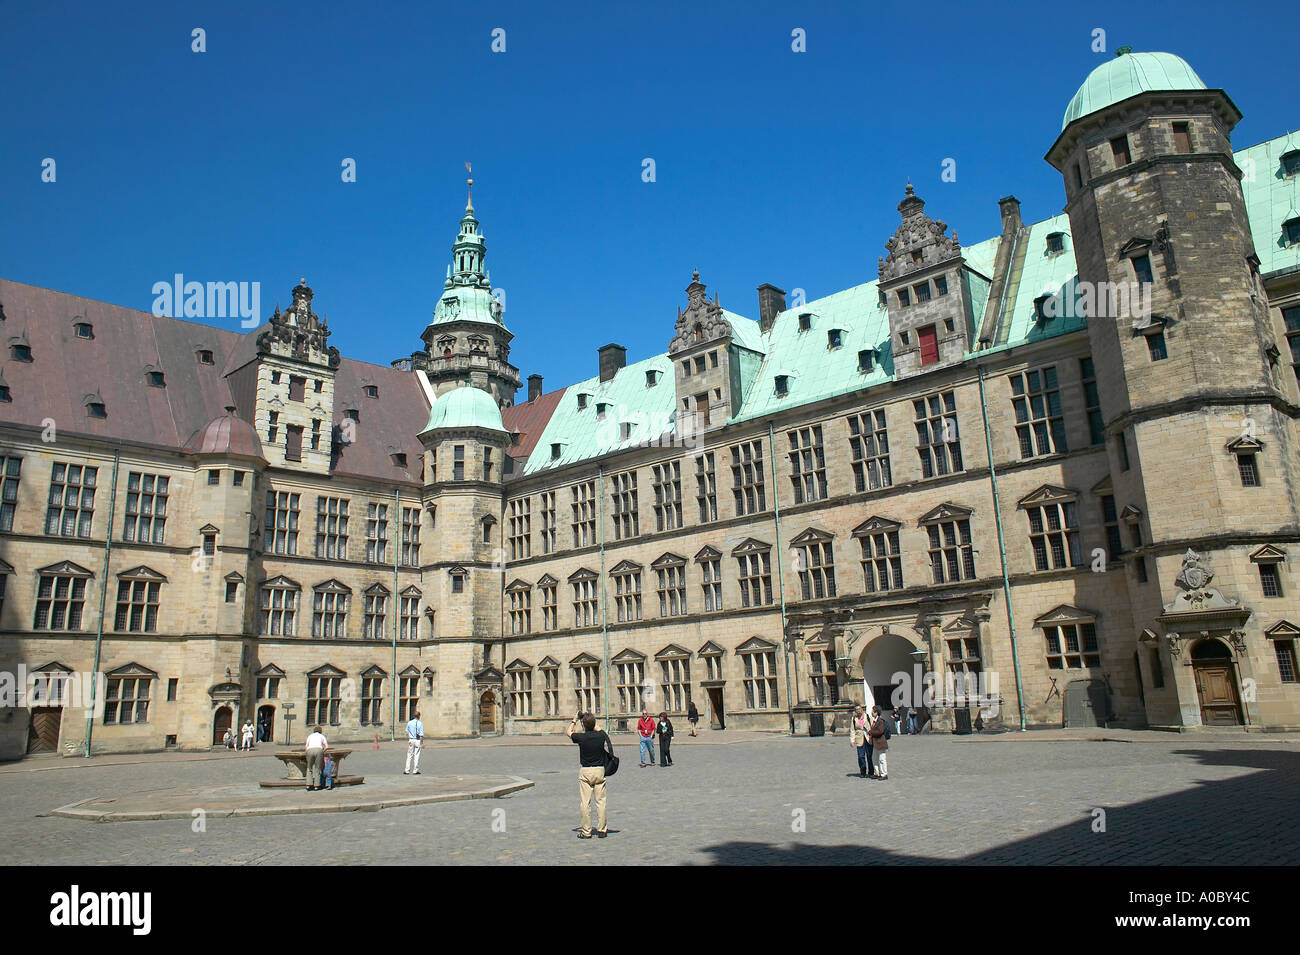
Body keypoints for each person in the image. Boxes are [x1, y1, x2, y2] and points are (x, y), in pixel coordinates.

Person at [565, 711, 610, 839]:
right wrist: (590, 720)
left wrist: (575, 719)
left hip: (586, 771)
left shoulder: (581, 737)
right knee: (601, 802)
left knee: (585, 803)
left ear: (584, 725)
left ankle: (586, 832)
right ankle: (602, 830)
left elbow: (568, 732)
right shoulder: (601, 735)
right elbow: (599, 729)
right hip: (599, 770)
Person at [850, 704, 874, 778]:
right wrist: (852, 740)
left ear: (862, 709)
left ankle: (871, 771)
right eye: (857, 709)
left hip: (868, 738)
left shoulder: (867, 716)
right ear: (855, 711)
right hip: (859, 739)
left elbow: (872, 726)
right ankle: (863, 771)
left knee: (869, 756)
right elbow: (852, 730)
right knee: (861, 756)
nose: (858, 710)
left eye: (859, 709)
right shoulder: (854, 719)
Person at [304, 725, 328, 791]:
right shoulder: (322, 736)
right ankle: (316, 786)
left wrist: (307, 753)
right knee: (318, 768)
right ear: (320, 731)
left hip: (309, 750)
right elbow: (326, 747)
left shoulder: (310, 736)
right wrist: (322, 751)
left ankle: (308, 785)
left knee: (309, 768)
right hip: (319, 750)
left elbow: (306, 746)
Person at [868, 706, 890, 780]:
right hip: (875, 743)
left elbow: (880, 731)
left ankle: (884, 774)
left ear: (876, 712)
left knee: (882, 759)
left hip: (881, 742)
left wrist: (871, 732)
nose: (871, 712)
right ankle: (877, 773)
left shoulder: (880, 721)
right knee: (874, 758)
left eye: (873, 711)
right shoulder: (875, 721)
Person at [404, 709, 424, 775]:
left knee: (409, 755)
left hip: (411, 739)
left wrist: (409, 738)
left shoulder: (409, 722)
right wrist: (422, 743)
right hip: (417, 740)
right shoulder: (420, 723)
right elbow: (421, 735)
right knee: (416, 755)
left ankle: (407, 770)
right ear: (419, 716)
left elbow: (406, 732)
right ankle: (415, 770)